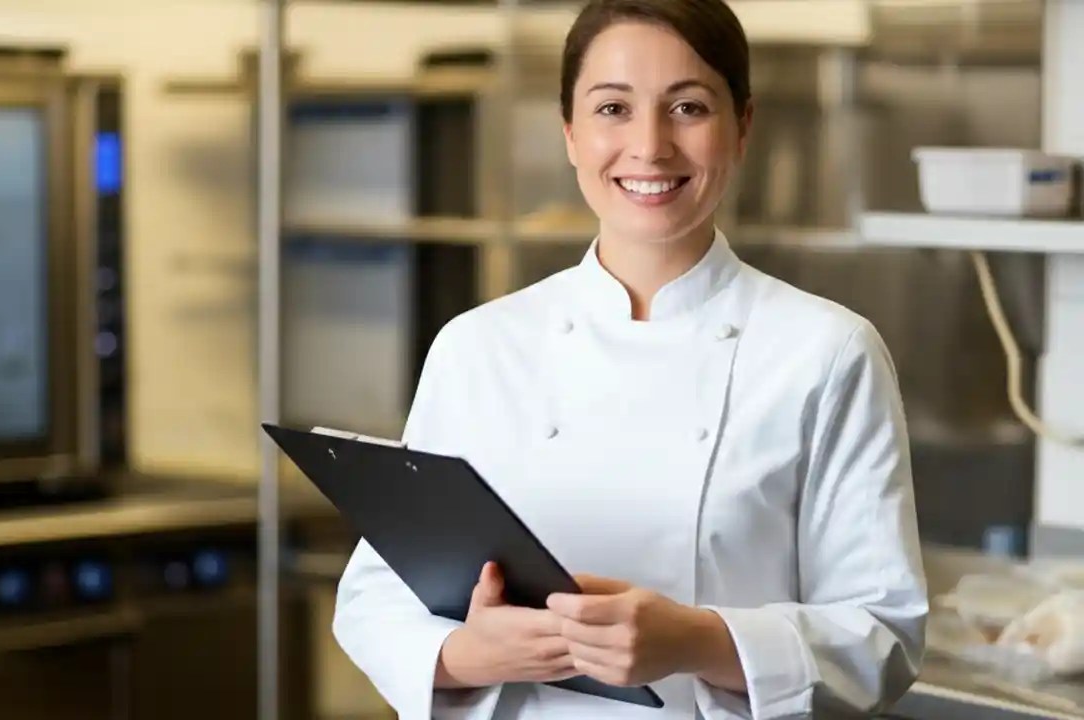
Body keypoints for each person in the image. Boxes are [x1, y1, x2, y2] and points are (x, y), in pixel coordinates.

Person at [331, 0, 929, 717]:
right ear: (569, 132)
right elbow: (376, 596)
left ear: (742, 126)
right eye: (613, 108)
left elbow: (881, 635)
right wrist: (471, 654)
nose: (649, 147)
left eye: (688, 108)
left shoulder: (825, 353)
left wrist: (696, 641)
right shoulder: (479, 346)